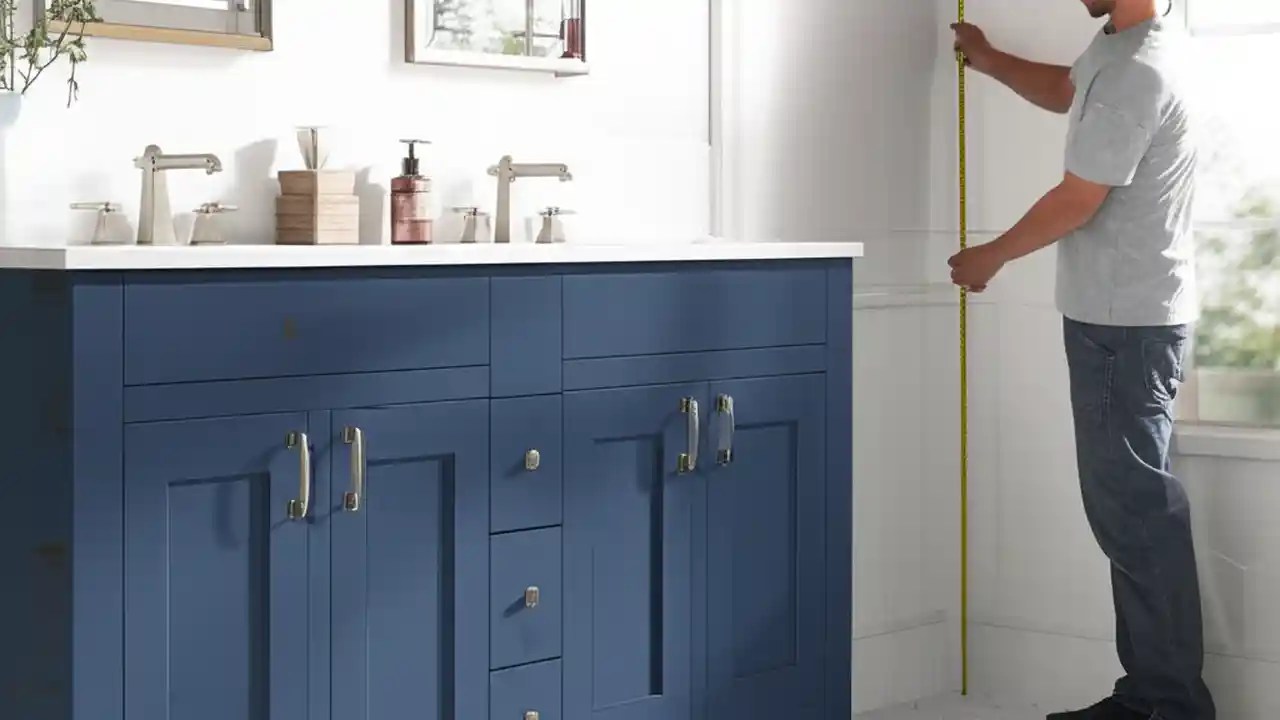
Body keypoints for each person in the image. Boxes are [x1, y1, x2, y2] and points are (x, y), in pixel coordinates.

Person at [949, 1, 1214, 719]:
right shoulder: (1126, 44)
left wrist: (990, 256)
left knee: (1135, 516)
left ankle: (1169, 705)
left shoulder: (1141, 69)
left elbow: (1078, 199)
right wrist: (992, 60)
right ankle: (1152, 697)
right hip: (1124, 319)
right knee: (1132, 513)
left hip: (1124, 328)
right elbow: (1070, 88)